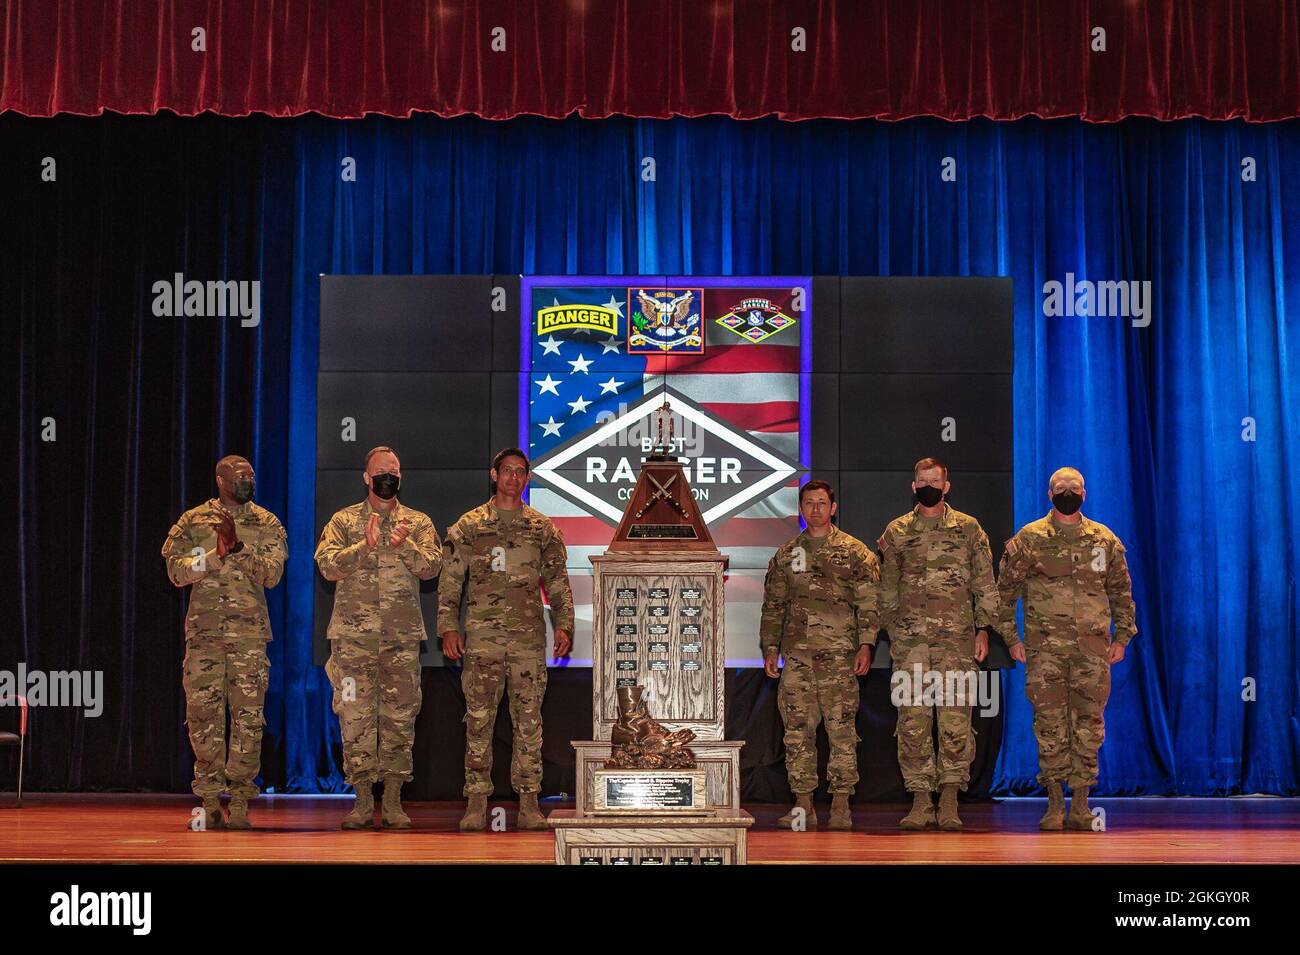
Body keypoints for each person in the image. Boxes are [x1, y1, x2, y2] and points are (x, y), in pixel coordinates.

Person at [438, 448, 574, 831]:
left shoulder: (541, 527)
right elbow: (451, 581)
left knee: (528, 722)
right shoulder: (471, 525)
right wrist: (448, 626)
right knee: (478, 721)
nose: (514, 477)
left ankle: (529, 803)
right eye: (507, 471)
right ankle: (477, 802)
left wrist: (564, 624)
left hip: (528, 642)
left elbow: (558, 582)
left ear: (527, 479)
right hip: (482, 640)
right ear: (493, 475)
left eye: (521, 472)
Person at [997, 466, 1137, 830]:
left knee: (1089, 725)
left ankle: (1081, 804)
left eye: (1074, 487)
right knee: (1050, 725)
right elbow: (1004, 593)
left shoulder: (1103, 539)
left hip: (1093, 651)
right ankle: (1054, 804)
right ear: (1049, 494)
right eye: (1061, 487)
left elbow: (1121, 592)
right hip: (1044, 651)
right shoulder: (1030, 538)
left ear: (1084, 494)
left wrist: (1122, 636)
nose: (1067, 492)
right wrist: (1012, 639)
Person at [315, 446, 442, 830]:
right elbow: (326, 566)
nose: (389, 476)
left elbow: (432, 567)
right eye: (381, 471)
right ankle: (361, 800)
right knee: (354, 717)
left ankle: (392, 800)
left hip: (400, 642)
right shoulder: (343, 520)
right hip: (352, 644)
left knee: (400, 718)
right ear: (366, 478)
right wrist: (364, 546)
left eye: (395, 470)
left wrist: (405, 546)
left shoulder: (417, 522)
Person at [162, 455, 286, 830]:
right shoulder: (194, 520)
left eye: (251, 474)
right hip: (204, 637)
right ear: (220, 479)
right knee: (203, 719)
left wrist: (239, 550)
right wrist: (214, 555)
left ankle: (243, 800)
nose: (248, 479)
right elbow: (175, 572)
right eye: (240, 475)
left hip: (249, 637)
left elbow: (273, 574)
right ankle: (211, 800)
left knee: (248, 720)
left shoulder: (266, 522)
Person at [878, 458, 997, 831]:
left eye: (936, 481)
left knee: (955, 720)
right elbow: (887, 590)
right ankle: (919, 799)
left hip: (957, 643)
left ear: (947, 486)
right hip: (911, 644)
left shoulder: (968, 529)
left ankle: (948, 798)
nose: (929, 485)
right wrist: (892, 634)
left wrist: (984, 630)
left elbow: (984, 583)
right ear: (914, 487)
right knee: (912, 721)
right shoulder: (897, 531)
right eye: (923, 481)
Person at [760, 480, 879, 831]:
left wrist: (866, 644)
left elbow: (869, 603)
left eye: (822, 503)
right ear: (800, 508)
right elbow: (774, 605)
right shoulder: (787, 554)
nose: (815, 509)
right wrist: (770, 647)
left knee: (841, 730)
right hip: (797, 656)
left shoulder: (854, 551)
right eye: (809, 503)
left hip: (839, 655)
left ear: (833, 507)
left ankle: (841, 803)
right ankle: (803, 806)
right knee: (797, 732)